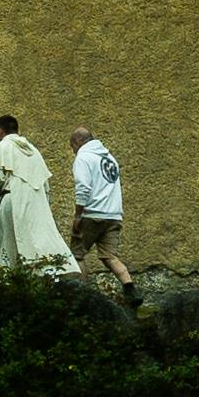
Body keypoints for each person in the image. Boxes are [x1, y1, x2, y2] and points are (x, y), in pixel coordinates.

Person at [0, 113, 66, 275]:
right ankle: (34, 280)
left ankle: (5, 282)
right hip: (36, 204)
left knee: (6, 245)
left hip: (12, 201)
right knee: (32, 245)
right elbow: (45, 184)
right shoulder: (33, 151)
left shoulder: (2, 147)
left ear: (0, 131)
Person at [68, 123, 131, 297]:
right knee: (109, 256)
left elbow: (83, 188)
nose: (73, 150)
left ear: (79, 141)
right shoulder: (110, 158)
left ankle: (84, 294)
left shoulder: (83, 157)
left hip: (92, 215)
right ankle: (130, 289)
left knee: (77, 255)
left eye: (72, 145)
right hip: (113, 216)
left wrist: (78, 216)